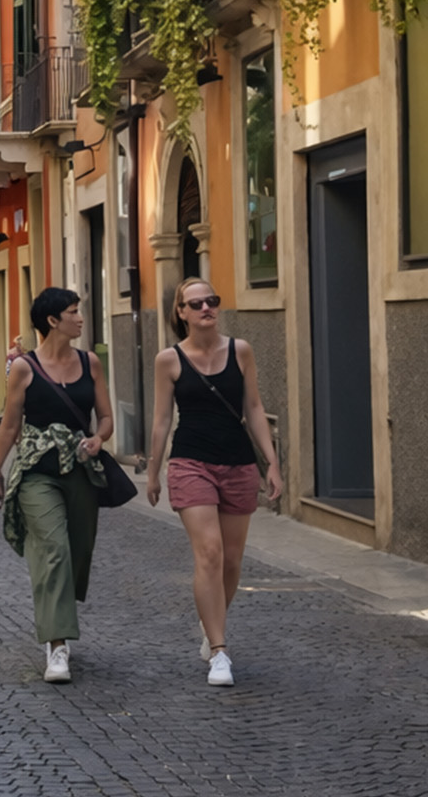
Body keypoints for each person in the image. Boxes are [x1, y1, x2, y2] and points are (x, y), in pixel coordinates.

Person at [146, 278, 282, 689]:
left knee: (232, 561)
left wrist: (271, 462)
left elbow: (254, 407)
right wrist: (153, 472)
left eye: (212, 301)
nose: (207, 308)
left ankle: (212, 623)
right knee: (209, 552)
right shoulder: (168, 360)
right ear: (181, 313)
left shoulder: (241, 351)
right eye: (197, 303)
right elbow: (161, 420)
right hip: (190, 463)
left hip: (238, 463)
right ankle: (220, 652)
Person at [0, 287, 114, 685]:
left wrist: (99, 439)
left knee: (77, 549)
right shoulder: (24, 367)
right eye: (73, 312)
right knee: (53, 548)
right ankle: (56, 645)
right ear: (53, 321)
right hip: (37, 471)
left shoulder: (90, 363)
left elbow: (105, 417)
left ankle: (57, 615)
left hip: (81, 469)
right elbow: (10, 424)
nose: (80, 318)